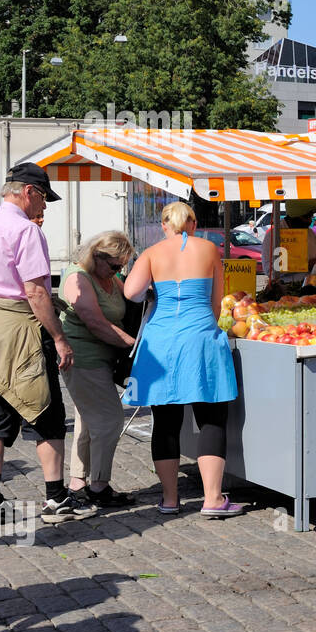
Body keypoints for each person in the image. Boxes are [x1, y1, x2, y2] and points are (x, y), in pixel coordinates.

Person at [0, 163, 92, 523]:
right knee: (45, 410)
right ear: (28, 192)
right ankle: (56, 498)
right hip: (22, 329)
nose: (45, 207)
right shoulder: (25, 231)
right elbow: (36, 292)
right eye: (43, 199)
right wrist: (59, 337)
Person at [123, 202, 243, 517]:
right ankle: (213, 499)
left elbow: (130, 292)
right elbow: (217, 303)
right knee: (211, 417)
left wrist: (152, 292)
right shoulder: (210, 249)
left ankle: (169, 498)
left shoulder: (152, 252)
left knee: (164, 422)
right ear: (193, 223)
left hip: (160, 341)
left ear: (165, 225)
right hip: (200, 338)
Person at [58, 231, 139, 509]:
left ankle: (78, 483)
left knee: (87, 422)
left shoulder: (110, 277)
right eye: (115, 265)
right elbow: (95, 322)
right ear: (96, 256)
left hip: (103, 360)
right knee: (109, 420)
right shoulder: (77, 277)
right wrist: (136, 346)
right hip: (83, 359)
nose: (118, 271)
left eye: (122, 266)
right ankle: (99, 486)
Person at [260, 200, 316, 292]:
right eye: (306, 216)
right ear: (294, 216)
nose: (309, 221)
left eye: (311, 216)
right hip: (284, 290)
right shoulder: (275, 234)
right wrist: (304, 265)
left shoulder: (310, 233)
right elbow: (269, 269)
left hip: (310, 288)